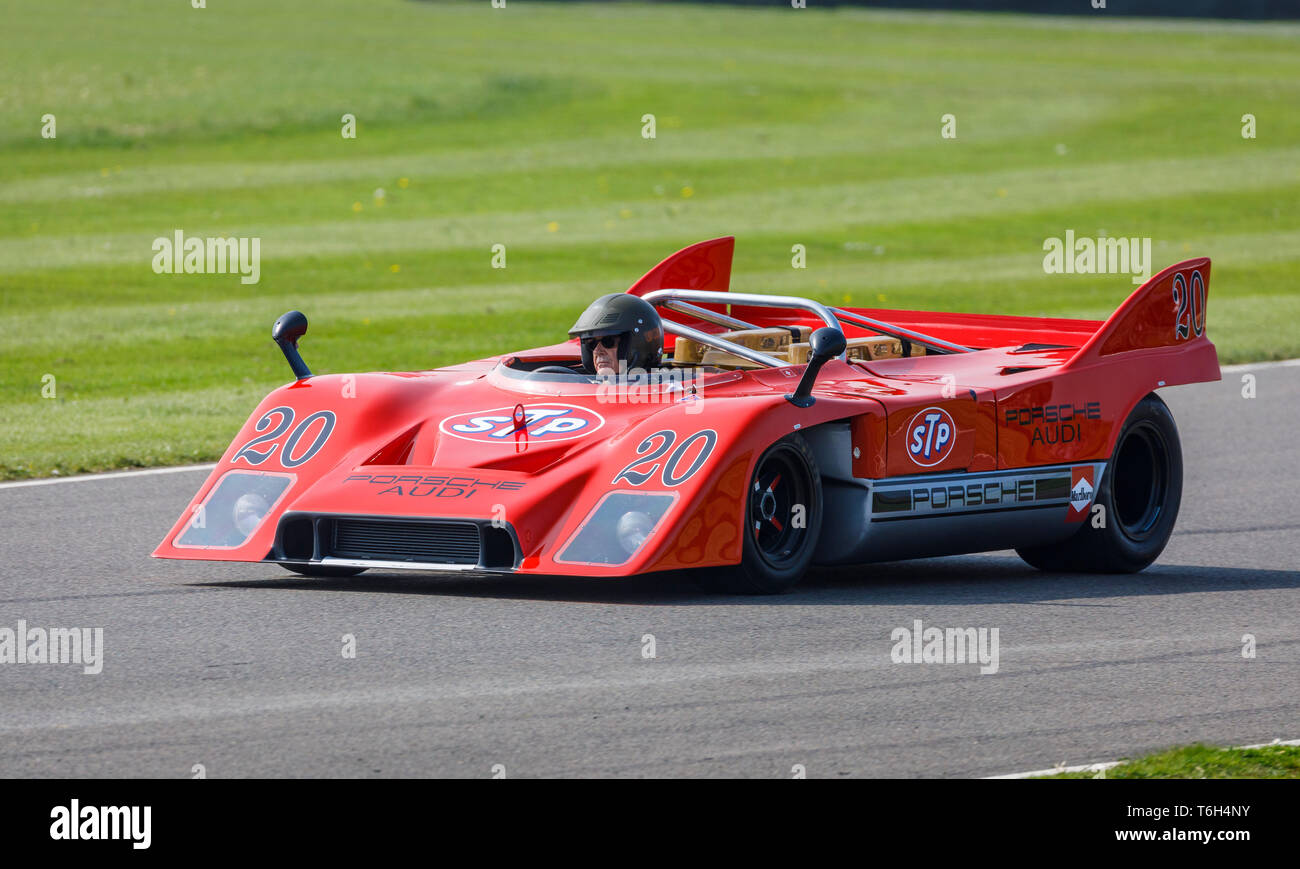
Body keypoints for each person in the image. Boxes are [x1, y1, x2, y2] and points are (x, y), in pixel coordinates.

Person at [568, 294, 664, 377]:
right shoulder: (576, 386)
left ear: (638, 344)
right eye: (591, 343)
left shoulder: (666, 392)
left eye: (608, 341)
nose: (597, 351)